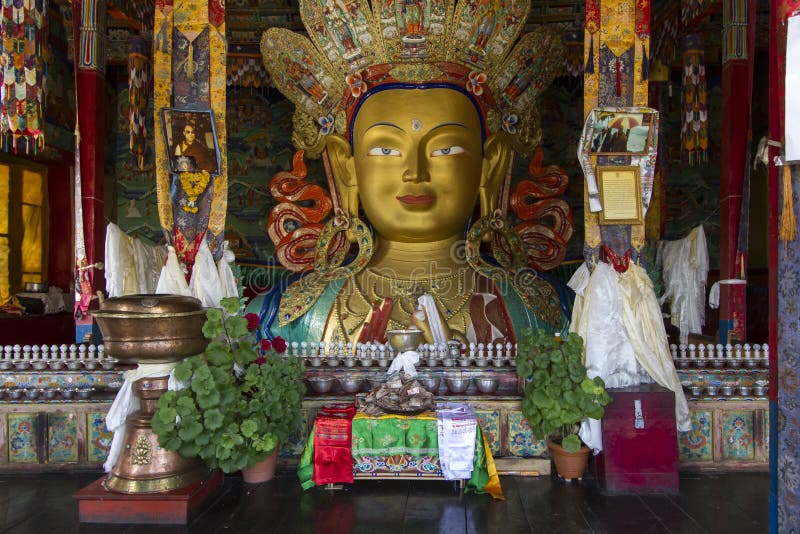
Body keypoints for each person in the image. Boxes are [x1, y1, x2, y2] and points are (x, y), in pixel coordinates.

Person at [254, 8, 571, 346]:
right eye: (386, 151)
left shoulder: (541, 311)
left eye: (446, 150)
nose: (415, 172)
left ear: (488, 165)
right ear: (348, 167)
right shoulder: (290, 316)